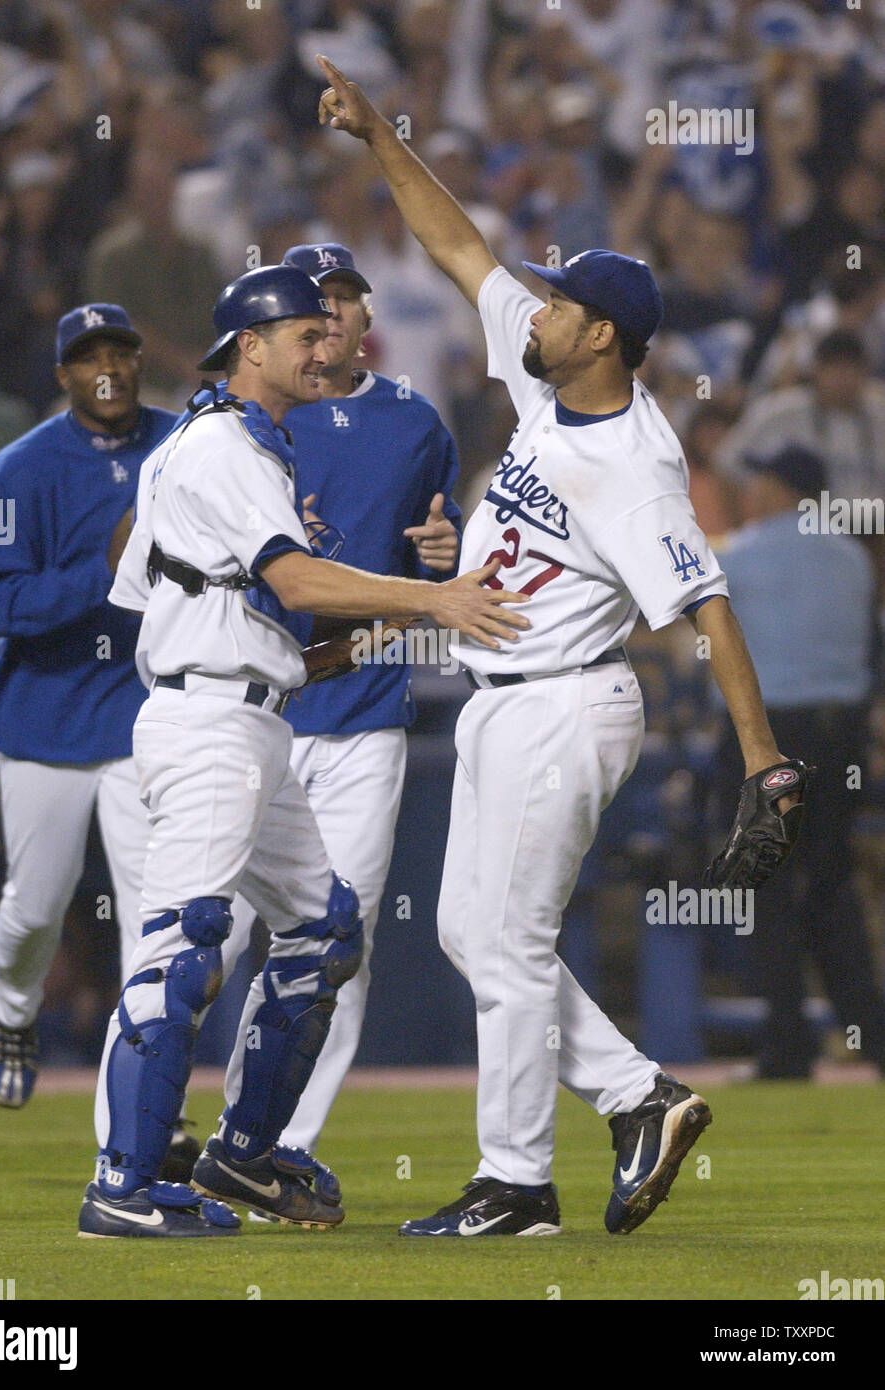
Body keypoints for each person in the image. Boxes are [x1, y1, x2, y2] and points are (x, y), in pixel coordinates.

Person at [317, 55, 800, 1237]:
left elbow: (708, 604)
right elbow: (461, 248)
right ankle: (641, 1096)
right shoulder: (549, 386)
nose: (532, 306)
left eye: (558, 302)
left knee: (514, 939)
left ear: (604, 336)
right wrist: (381, 137)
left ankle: (516, 1183)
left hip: (565, 703)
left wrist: (762, 759)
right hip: (500, 695)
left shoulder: (631, 463)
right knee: (468, 931)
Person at [78, 263, 527, 1238]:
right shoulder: (223, 448)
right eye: (303, 336)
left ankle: (241, 1151)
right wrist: (430, 598)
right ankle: (123, 1182)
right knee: (185, 944)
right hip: (206, 725)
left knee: (323, 931)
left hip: (251, 713)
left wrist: (379, 626)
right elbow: (292, 577)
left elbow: (185, 604)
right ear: (251, 346)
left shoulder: (232, 444)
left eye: (327, 333)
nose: (325, 347)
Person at [213, 241, 461, 1178]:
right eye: (315, 307)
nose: (333, 320)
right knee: (214, 934)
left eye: (345, 301)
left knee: (333, 950)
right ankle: (161, 1136)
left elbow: (442, 546)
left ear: (365, 319)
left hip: (360, 711)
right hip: (260, 708)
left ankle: (271, 1146)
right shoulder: (242, 423)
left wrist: (442, 551)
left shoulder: (413, 422)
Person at [0, 305, 176, 1114]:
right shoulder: (12, 470)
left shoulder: (184, 441)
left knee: (151, 916)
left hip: (142, 715)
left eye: (120, 352)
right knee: (36, 903)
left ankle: (139, 1103)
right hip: (45, 721)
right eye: (88, 357)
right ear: (62, 376)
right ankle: (13, 1015)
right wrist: (107, 571)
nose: (108, 368)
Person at [713, 444, 885, 1079]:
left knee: (767, 886)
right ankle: (871, 1033)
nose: (752, 490)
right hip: (841, 740)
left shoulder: (743, 556)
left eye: (760, 479)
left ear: (782, 487)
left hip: (767, 737)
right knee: (832, 885)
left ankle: (787, 1044)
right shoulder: (853, 561)